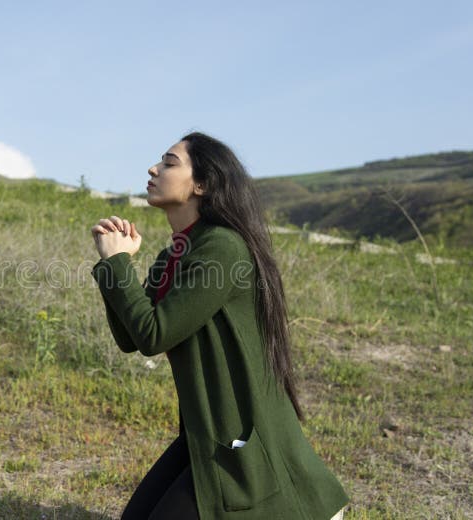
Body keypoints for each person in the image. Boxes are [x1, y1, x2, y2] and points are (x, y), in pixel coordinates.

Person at [89, 132, 349, 519]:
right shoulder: (176, 252)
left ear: (202, 184)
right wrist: (115, 264)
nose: (153, 168)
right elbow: (132, 337)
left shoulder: (223, 247)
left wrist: (116, 265)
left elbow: (153, 333)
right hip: (205, 437)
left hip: (242, 443)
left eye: (169, 162)